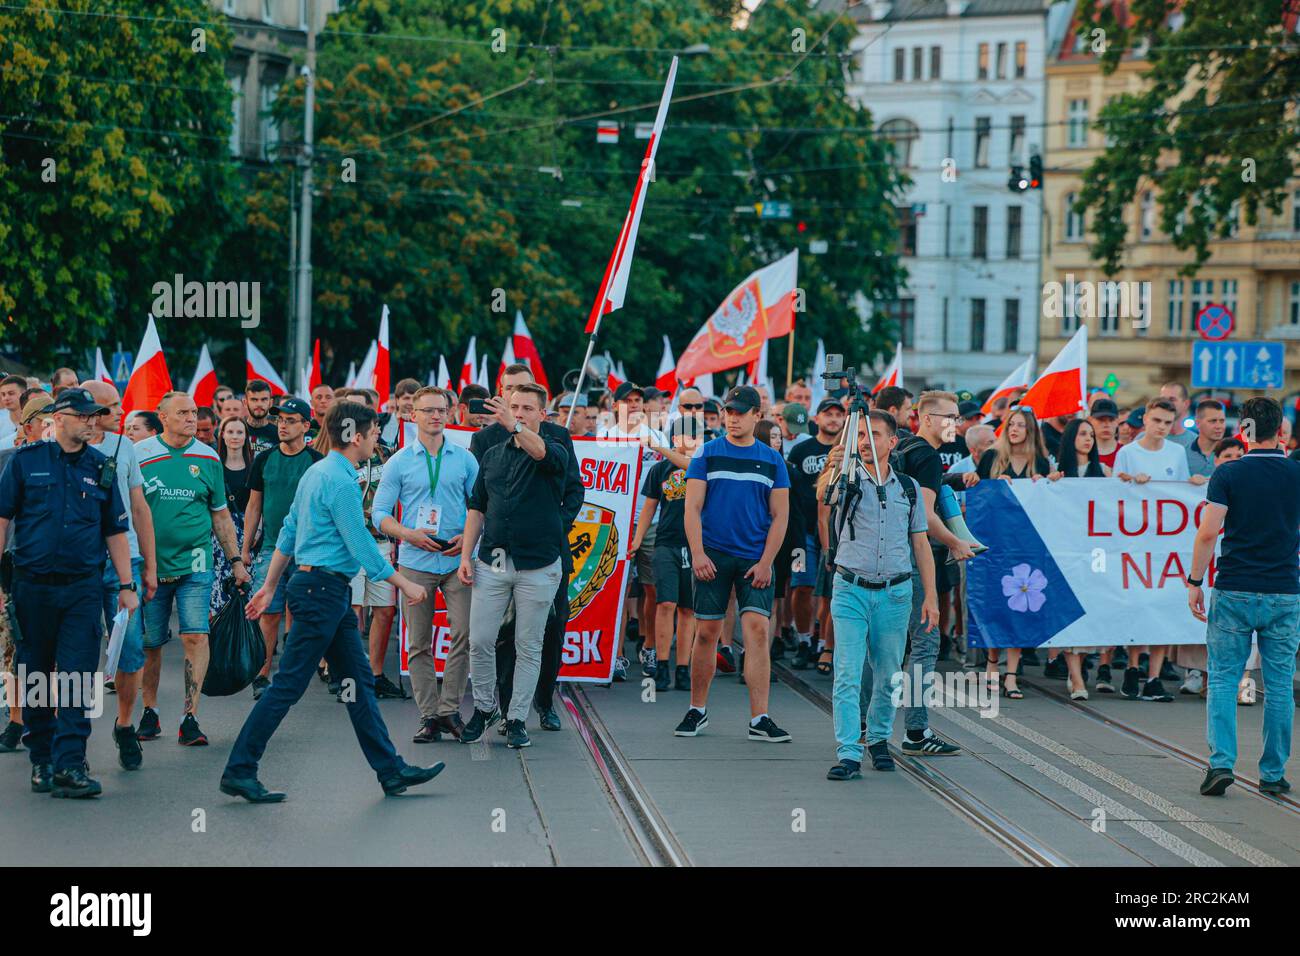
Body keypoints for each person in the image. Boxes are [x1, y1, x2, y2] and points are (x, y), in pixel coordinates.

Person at [221, 401, 444, 803]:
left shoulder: (316, 471)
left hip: (324, 591)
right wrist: (403, 583)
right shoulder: (340, 480)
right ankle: (240, 770)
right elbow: (358, 541)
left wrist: (270, 585)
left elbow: (287, 531)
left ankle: (390, 771)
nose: (377, 437)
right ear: (355, 436)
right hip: (321, 592)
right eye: (374, 431)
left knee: (357, 685)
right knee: (287, 686)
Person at [0, 387, 139, 798]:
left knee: (79, 675)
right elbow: (3, 519)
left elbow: (115, 529)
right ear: (58, 418)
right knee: (36, 672)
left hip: (82, 587)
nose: (92, 421)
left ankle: (70, 764)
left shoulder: (102, 467)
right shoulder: (24, 462)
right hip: (32, 587)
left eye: (95, 416)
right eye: (83, 416)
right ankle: (41, 760)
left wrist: (127, 585)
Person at [1188, 396, 1299, 797]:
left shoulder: (1228, 475)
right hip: (1284, 591)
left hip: (1234, 587)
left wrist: (1194, 581)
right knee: (1280, 684)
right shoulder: (1296, 474)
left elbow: (1207, 532)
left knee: (1222, 678)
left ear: (1244, 430)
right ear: (1281, 430)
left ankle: (1221, 764)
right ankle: (1272, 771)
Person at [821, 411, 938, 779]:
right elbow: (826, 493)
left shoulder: (908, 487)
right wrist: (835, 464)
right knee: (848, 673)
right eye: (860, 436)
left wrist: (930, 596)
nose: (865, 442)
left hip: (896, 592)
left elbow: (920, 543)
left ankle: (879, 740)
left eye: (874, 435)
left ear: (891, 442)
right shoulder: (847, 478)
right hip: (850, 588)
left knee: (888, 674)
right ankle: (849, 751)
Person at [675, 385, 791, 742]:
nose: (733, 417)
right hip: (713, 554)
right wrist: (697, 554)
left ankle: (760, 718)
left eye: (741, 412)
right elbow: (691, 507)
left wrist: (767, 561)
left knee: (757, 631)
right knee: (707, 631)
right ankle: (697, 709)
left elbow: (780, 515)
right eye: (729, 411)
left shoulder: (772, 459)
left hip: (755, 557)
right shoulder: (706, 453)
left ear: (757, 416)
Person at [470, 366, 584, 731]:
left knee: (547, 631)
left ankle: (543, 703)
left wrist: (553, 525)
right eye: (511, 398)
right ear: (501, 394)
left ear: (541, 410)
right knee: (493, 637)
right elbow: (480, 500)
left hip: (545, 553)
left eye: (525, 403)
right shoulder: (487, 440)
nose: (516, 410)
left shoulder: (556, 437)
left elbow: (572, 490)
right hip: (497, 556)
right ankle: (498, 708)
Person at [137, 392, 249, 746]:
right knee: (151, 642)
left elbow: (220, 514)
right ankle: (150, 711)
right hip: (152, 565)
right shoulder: (141, 455)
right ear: (162, 416)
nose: (190, 418)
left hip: (196, 562)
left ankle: (190, 717)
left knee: (196, 636)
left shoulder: (207, 456)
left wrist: (235, 561)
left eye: (193, 412)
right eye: (182, 412)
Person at [372, 386, 478, 742]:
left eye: (441, 410)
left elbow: (482, 508)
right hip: (416, 561)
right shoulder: (399, 461)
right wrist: (407, 534)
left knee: (464, 633)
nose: (435, 416)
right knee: (417, 641)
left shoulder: (465, 458)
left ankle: (449, 710)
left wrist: (468, 539)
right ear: (411, 415)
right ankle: (429, 715)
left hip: (455, 560)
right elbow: (379, 515)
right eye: (428, 410)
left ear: (449, 414)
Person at [879, 390, 974, 754]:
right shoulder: (929, 457)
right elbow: (926, 516)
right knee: (925, 640)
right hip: (913, 559)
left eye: (958, 417)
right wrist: (955, 542)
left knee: (885, 644)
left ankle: (863, 726)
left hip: (886, 556)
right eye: (949, 417)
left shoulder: (902, 449)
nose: (956, 423)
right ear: (928, 419)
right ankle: (916, 732)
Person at [82, 381, 158, 768]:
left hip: (124, 560)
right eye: (111, 409)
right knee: (75, 651)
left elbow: (140, 508)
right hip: (76, 561)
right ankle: (72, 737)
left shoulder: (124, 447)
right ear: (87, 411)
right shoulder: (59, 448)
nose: (121, 415)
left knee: (129, 648)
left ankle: (125, 724)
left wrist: (151, 566)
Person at [1113, 397, 1205, 703]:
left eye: (1168, 422)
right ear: (1146, 420)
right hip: (1136, 544)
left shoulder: (1176, 452)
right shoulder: (1128, 453)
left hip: (1167, 544)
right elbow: (1111, 496)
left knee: (1163, 606)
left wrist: (1192, 483)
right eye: (1157, 421)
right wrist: (1128, 482)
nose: (1162, 427)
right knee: (1138, 606)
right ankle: (1132, 666)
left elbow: (1177, 492)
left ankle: (1153, 676)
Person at [240, 397, 323, 699]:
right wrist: (245, 547)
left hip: (308, 550)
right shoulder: (264, 459)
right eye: (280, 420)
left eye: (290, 420)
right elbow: (254, 505)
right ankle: (262, 674)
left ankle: (294, 671)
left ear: (305, 425)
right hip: (272, 548)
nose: (283, 425)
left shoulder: (317, 461)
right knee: (268, 611)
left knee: (301, 611)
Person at [976, 406, 1053, 697]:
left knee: (1022, 606)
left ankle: (1011, 674)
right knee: (996, 606)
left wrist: (1049, 483)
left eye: (1021, 425)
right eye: (1011, 425)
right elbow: (978, 496)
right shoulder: (992, 458)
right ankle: (992, 664)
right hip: (996, 545)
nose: (1015, 430)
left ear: (1031, 430)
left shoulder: (1041, 463)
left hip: (1027, 547)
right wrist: (994, 485)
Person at [631, 415, 705, 692]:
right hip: (666, 542)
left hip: (695, 545)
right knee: (665, 603)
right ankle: (662, 664)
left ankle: (683, 667)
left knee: (688, 608)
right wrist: (638, 540)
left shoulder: (702, 465)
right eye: (687, 435)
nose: (692, 441)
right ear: (675, 438)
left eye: (696, 436)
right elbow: (649, 507)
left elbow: (692, 466)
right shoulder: (659, 471)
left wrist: (659, 447)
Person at [787, 398, 844, 671]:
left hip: (833, 535)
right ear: (817, 418)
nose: (833, 419)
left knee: (829, 593)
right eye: (828, 414)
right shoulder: (800, 451)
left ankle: (824, 643)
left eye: (838, 414)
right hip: (801, 534)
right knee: (800, 586)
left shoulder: (848, 450)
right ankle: (803, 640)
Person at [210, 416, 252, 620]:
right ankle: (219, 631)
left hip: (249, 532)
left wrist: (256, 531)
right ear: (222, 436)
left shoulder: (254, 466)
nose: (235, 437)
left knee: (246, 586)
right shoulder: (214, 465)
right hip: (219, 533)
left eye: (239, 432)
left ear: (246, 437)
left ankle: (244, 634)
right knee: (219, 584)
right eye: (230, 432)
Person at [1186, 399, 1227, 479]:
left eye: (1222, 421)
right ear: (1198, 423)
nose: (1219, 426)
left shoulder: (1233, 455)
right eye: (1213, 421)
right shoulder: (1183, 454)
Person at [243, 380, 279, 457]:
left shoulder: (279, 434)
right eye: (254, 399)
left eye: (264, 399)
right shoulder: (236, 431)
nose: (259, 404)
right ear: (245, 403)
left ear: (271, 403)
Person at [1159, 382, 1196, 449]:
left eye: (1172, 399)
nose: (1166, 403)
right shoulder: (1146, 438)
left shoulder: (1196, 443)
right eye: (1163, 399)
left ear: (1186, 403)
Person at [1089, 397, 1122, 471]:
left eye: (1111, 420)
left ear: (1117, 421)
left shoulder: (1126, 453)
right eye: (1100, 419)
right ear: (1090, 420)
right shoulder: (1083, 454)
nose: (1106, 424)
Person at [0, 374, 26, 445]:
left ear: (24, 394)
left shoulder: (35, 421)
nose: (6, 398)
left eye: (11, 393)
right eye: (3, 394)